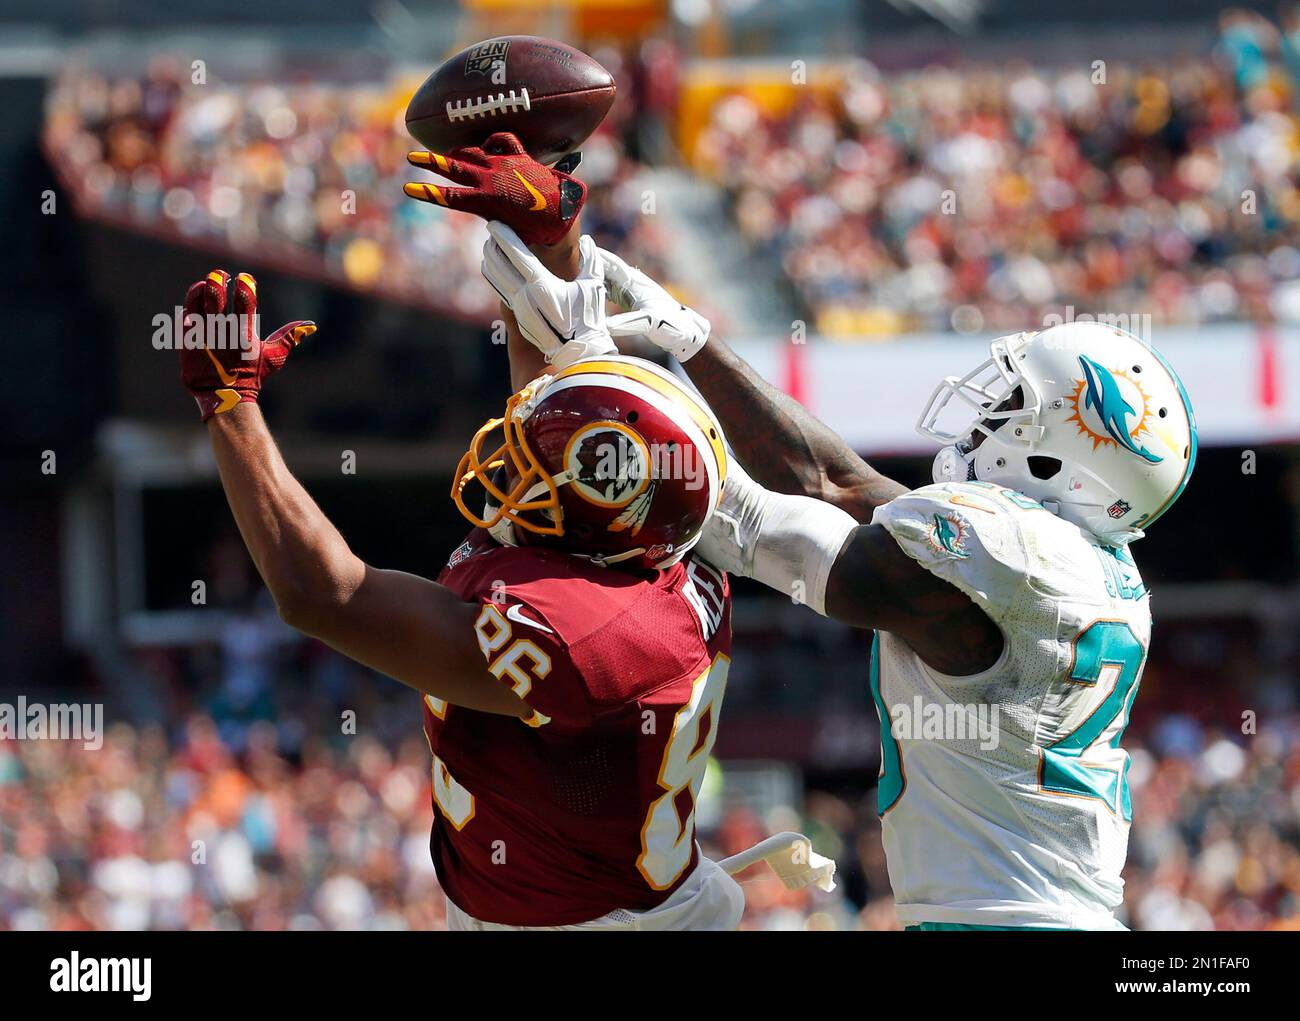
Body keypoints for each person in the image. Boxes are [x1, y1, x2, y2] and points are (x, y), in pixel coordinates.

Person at [479, 203, 1196, 931]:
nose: (985, 410)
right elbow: (835, 480)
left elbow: (759, 526)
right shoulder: (1089, 563)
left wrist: (599, 382)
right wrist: (691, 342)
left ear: (1059, 456)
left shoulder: (1014, 559)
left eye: (1013, 402)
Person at [175, 266, 747, 930]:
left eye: (538, 463)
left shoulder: (587, 634)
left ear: (599, 508)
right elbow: (547, 358)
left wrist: (229, 406)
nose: (511, 460)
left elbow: (321, 595)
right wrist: (530, 230)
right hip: (577, 901)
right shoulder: (636, 550)